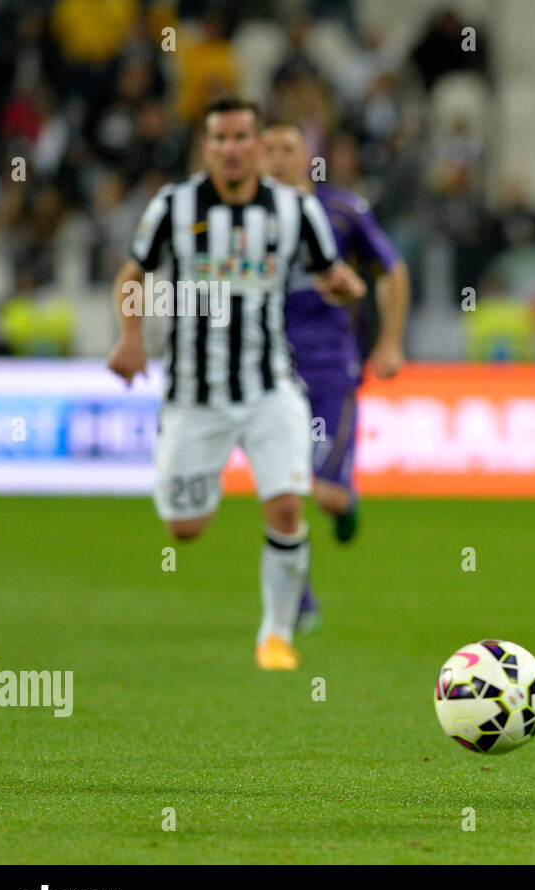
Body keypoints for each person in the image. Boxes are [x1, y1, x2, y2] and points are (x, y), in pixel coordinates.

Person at [107, 95, 365, 671]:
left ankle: (276, 636)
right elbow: (134, 272)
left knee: (286, 509)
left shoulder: (294, 210)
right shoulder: (173, 205)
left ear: (257, 145)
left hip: (271, 383)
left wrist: (345, 283)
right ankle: (196, 474)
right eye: (218, 138)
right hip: (195, 392)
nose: (230, 149)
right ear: (206, 146)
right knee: (186, 527)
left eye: (241, 138)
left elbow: (328, 271)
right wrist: (130, 337)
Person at [262, 120, 409, 633]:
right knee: (282, 487)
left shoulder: (342, 211)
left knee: (324, 493)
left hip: (331, 368)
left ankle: (347, 506)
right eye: (269, 149)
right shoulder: (248, 223)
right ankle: (297, 598)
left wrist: (388, 342)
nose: (277, 157)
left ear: (309, 156)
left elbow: (392, 270)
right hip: (271, 370)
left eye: (287, 147)